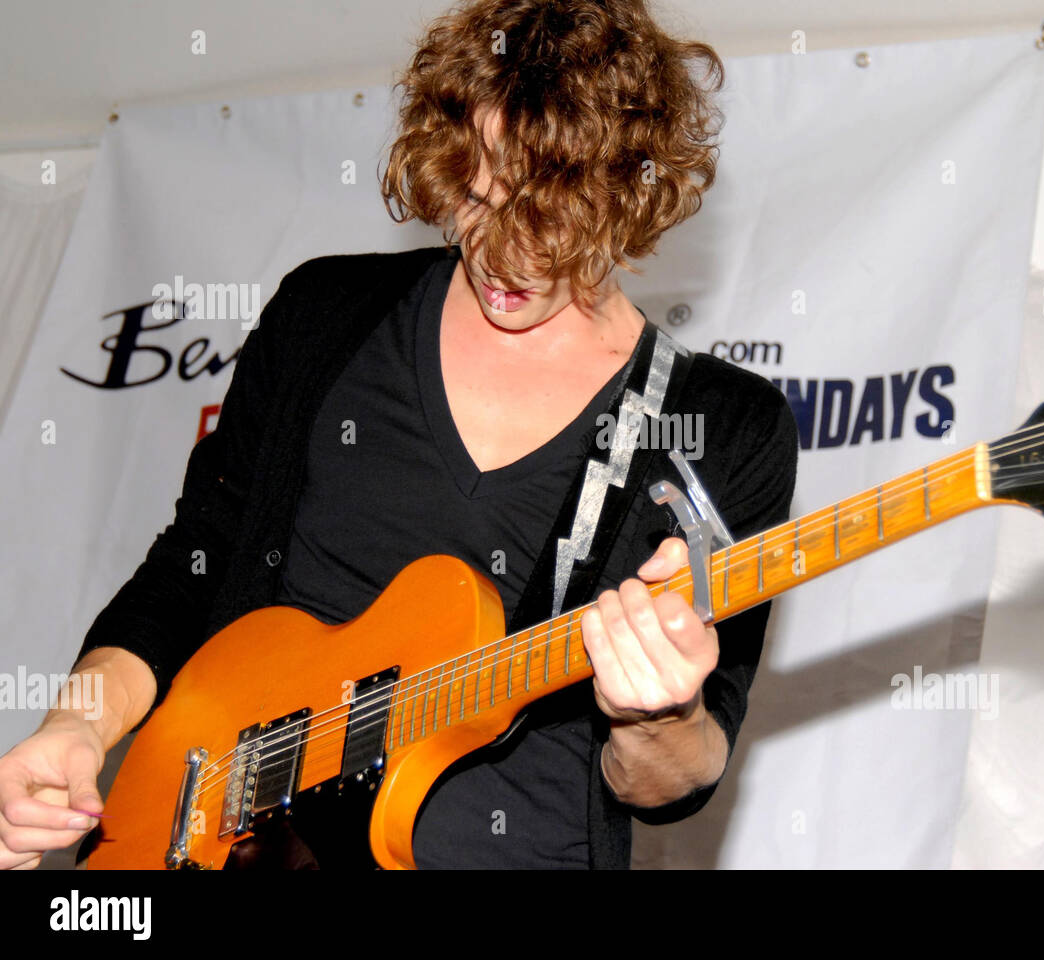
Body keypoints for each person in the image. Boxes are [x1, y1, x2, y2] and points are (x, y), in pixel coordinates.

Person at [0, 0, 798, 870]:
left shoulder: (722, 428)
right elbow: (193, 563)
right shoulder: (325, 318)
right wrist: (76, 723)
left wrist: (658, 715)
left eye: (552, 218)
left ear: (630, 194)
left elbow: (677, 780)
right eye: (477, 196)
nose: (504, 256)